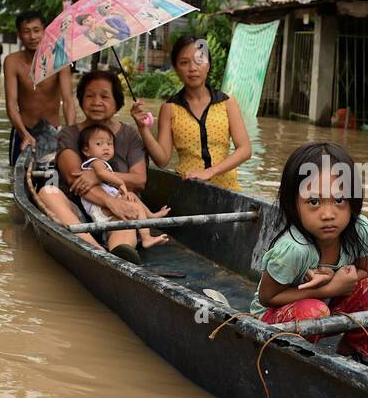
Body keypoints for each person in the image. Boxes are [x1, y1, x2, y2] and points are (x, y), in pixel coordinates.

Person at [251, 142, 368, 372]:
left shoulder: (359, 230)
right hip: (276, 320)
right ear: (294, 204)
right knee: (314, 310)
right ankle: (295, 364)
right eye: (314, 202)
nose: (329, 215)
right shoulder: (294, 248)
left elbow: (362, 272)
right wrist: (329, 289)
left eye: (339, 200)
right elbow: (267, 298)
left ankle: (356, 353)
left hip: (328, 312)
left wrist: (333, 277)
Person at [38, 71, 165, 256]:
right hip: (79, 215)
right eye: (89, 96)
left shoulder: (129, 134)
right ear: (81, 100)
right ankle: (96, 252)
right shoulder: (69, 134)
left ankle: (119, 255)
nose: (96, 102)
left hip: (120, 212)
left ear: (117, 102)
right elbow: (76, 178)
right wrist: (108, 200)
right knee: (47, 192)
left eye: (104, 96)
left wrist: (98, 177)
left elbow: (139, 180)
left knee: (125, 218)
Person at [134, 34, 251, 190]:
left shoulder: (227, 103)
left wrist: (210, 171)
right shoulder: (169, 108)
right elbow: (162, 160)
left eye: (199, 61)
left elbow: (245, 150)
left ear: (208, 65)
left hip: (228, 190)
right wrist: (143, 129)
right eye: (184, 62)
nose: (192, 68)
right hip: (189, 190)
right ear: (176, 68)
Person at [76, 122, 168, 252]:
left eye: (109, 144)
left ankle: (150, 216)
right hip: (99, 208)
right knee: (134, 205)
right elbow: (102, 174)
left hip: (105, 207)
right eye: (99, 144)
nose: (106, 147)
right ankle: (146, 237)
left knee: (132, 196)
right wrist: (120, 183)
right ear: (86, 150)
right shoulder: (96, 162)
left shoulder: (101, 163)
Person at [4, 10, 75, 166]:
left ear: (45, 31)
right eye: (26, 31)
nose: (32, 36)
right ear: (19, 35)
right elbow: (11, 104)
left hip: (52, 130)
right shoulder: (12, 62)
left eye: (37, 30)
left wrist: (70, 135)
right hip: (23, 130)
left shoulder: (60, 59)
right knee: (15, 179)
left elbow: (68, 101)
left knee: (52, 179)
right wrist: (24, 134)